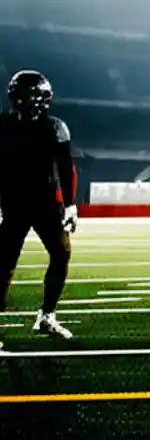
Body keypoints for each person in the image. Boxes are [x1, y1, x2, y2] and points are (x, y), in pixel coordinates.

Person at [0, 70, 79, 344]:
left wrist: (70, 205)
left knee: (59, 254)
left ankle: (47, 316)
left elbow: (66, 169)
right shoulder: (52, 126)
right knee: (5, 263)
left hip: (37, 203)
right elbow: (67, 170)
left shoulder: (51, 127)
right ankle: (46, 316)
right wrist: (69, 205)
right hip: (21, 203)